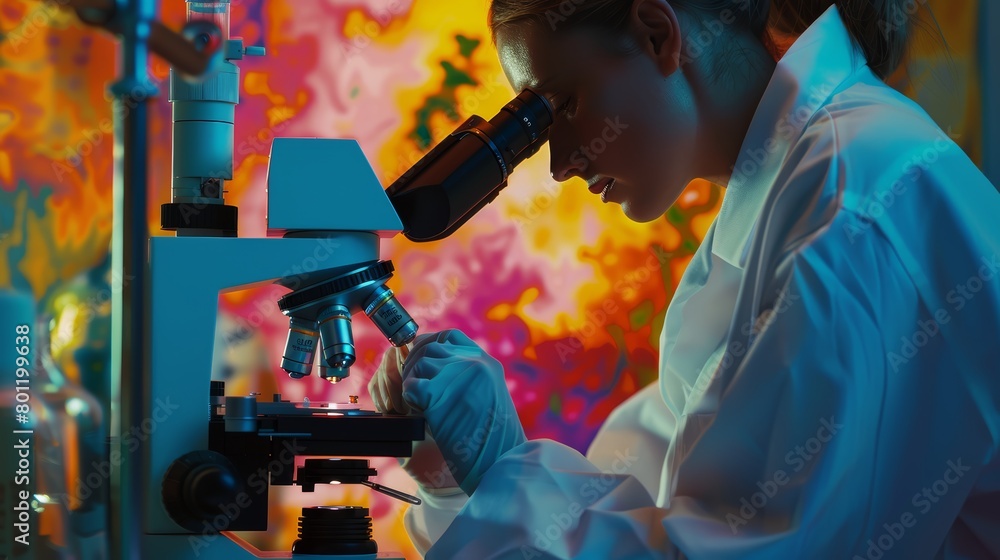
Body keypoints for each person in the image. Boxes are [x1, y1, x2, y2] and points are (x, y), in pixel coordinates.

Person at [368, 0, 1000, 557]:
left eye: (563, 105)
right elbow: (651, 498)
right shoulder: (787, 195)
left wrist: (502, 466)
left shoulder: (848, 204)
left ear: (655, 33)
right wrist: (457, 482)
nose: (559, 164)